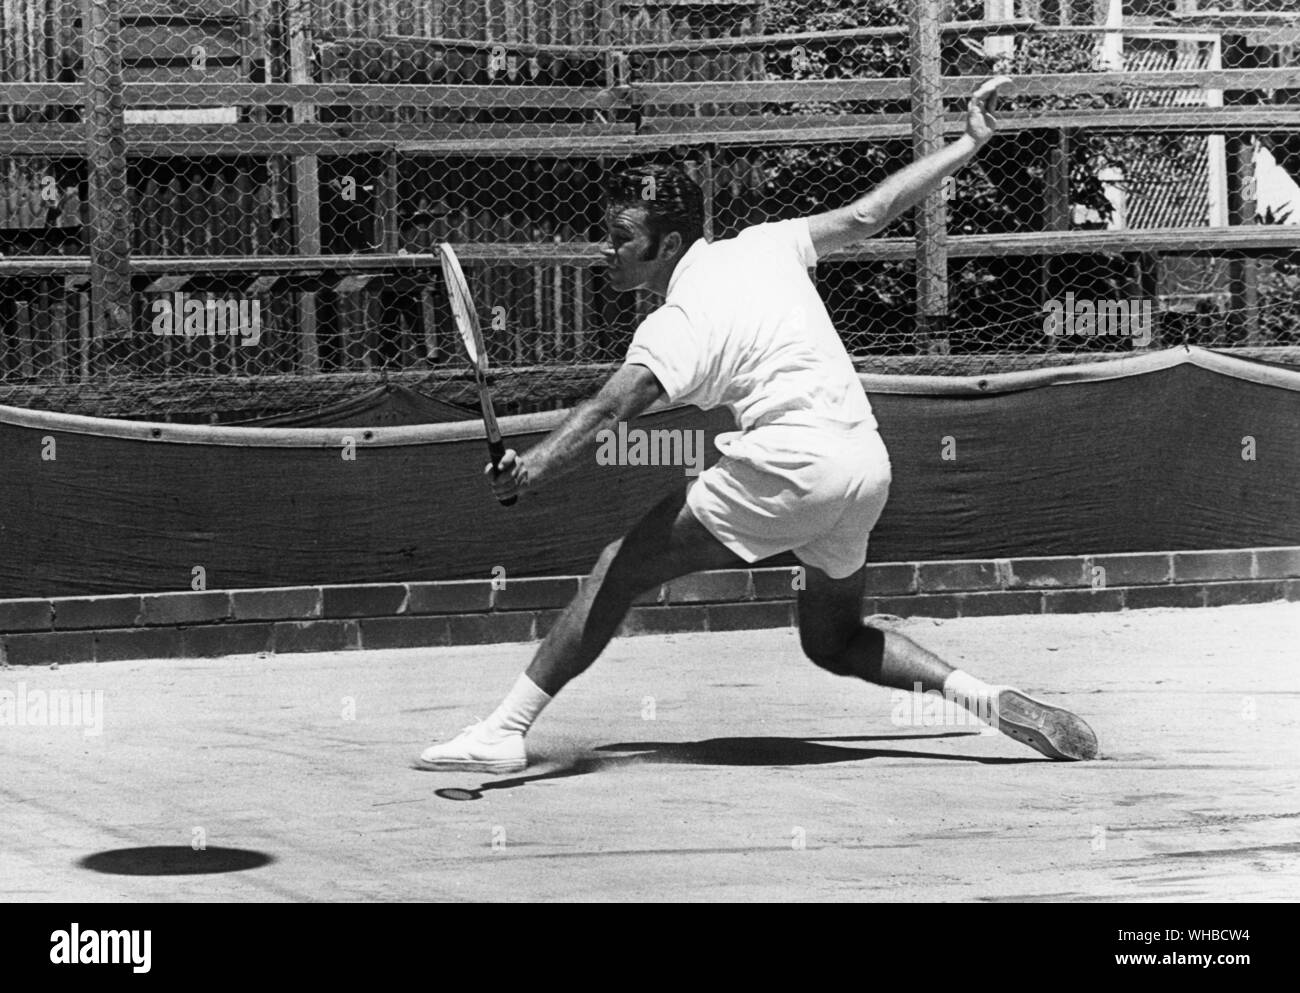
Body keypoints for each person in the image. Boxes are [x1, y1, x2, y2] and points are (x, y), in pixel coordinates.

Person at [417, 76, 1099, 774]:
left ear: (669, 242)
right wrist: (968, 142)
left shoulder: (679, 320)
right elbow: (871, 212)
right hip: (865, 466)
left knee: (616, 571)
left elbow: (608, 409)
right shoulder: (768, 243)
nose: (605, 249)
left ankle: (504, 730)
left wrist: (529, 471)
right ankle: (985, 697)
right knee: (832, 640)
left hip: (791, 464)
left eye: (621, 237)